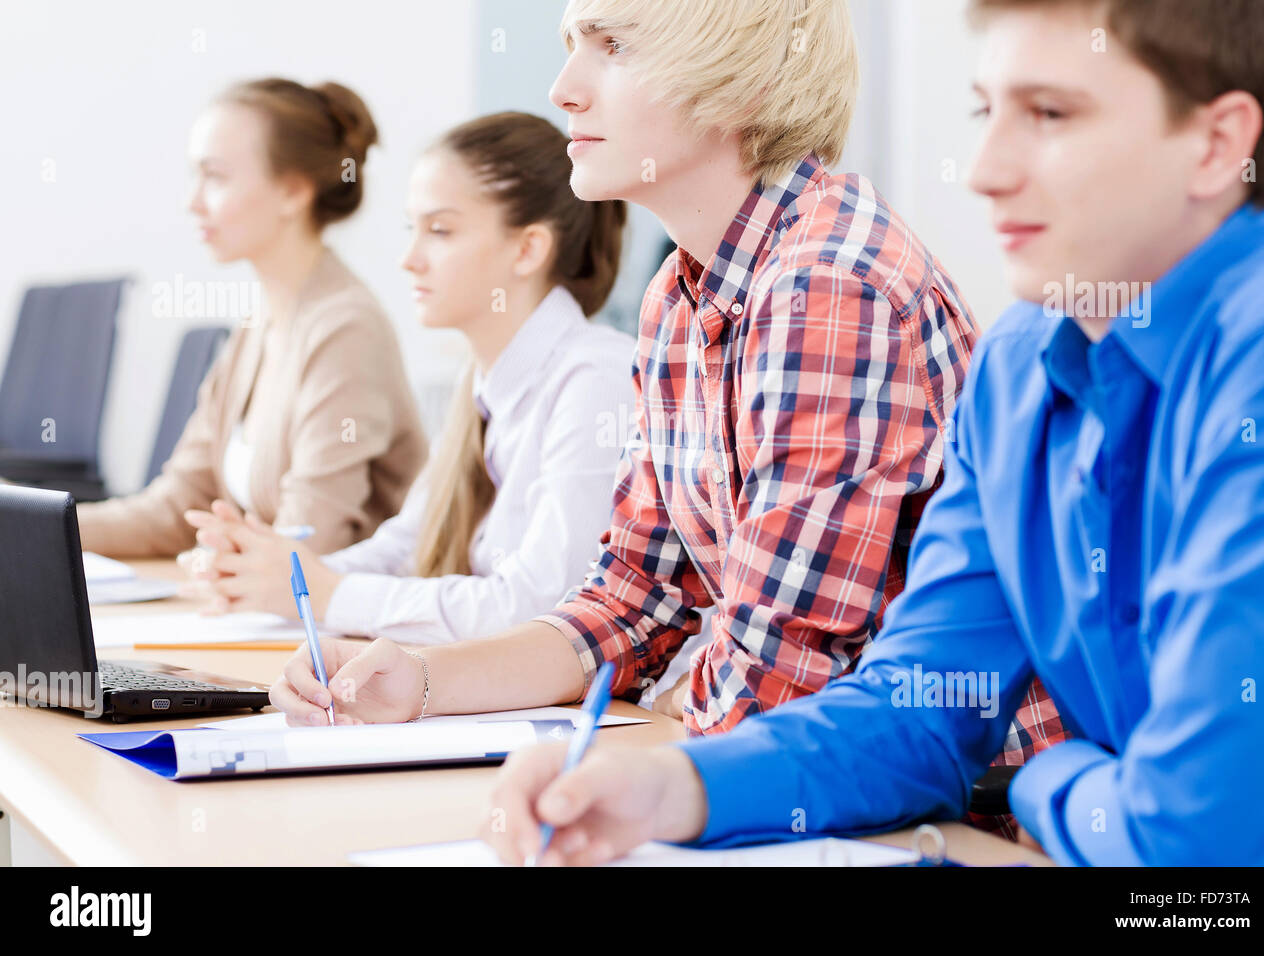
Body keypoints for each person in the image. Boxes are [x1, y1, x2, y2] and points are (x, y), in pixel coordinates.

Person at [480, 0, 1264, 866]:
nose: (983, 170)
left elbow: (1200, 840)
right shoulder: (1022, 364)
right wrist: (674, 791)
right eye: (989, 113)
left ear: (1216, 147)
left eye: (1051, 115)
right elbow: (919, 707)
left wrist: (1040, 782)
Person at [268, 0, 1065, 821]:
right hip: (815, 790)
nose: (564, 88)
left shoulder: (829, 283)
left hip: (955, 819)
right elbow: (632, 599)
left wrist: (645, 793)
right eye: (573, 46)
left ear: (742, 85)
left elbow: (778, 669)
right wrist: (425, 682)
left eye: (611, 48)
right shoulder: (679, 299)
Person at [181, 112, 635, 646]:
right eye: (411, 230)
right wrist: (276, 575)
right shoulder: (483, 383)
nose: (408, 260)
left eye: (440, 231)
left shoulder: (595, 378)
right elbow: (406, 546)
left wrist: (323, 592)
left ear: (528, 249)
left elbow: (543, 609)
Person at [77, 77, 426, 557]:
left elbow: (309, 544)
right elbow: (176, 508)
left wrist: (222, 553)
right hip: (268, 614)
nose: (192, 201)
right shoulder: (259, 325)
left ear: (293, 192)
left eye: (215, 177)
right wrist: (37, 522)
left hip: (333, 626)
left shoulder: (345, 330)